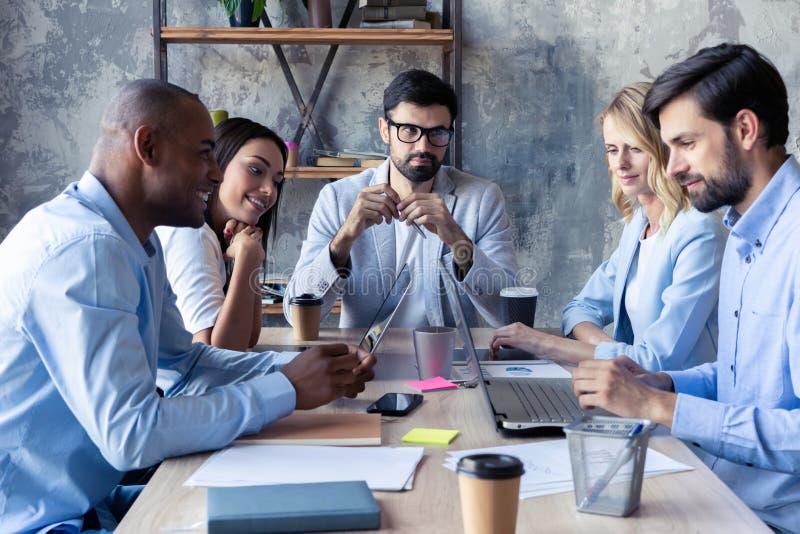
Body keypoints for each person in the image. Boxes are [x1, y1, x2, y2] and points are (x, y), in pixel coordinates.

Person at [0, 79, 376, 533]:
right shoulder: (87, 248)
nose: (216, 174)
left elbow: (186, 363)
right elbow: (132, 435)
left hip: (91, 499)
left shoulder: (135, 241)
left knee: (296, 500)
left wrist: (300, 369)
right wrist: (287, 389)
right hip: (44, 520)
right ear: (148, 147)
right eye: (204, 154)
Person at [572, 43, 800, 532]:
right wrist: (665, 383)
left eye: (686, 143)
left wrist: (657, 406)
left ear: (745, 130)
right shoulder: (743, 233)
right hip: (724, 490)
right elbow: (749, 380)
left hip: (773, 518)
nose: (672, 167)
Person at [490, 82, 725, 370]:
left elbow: (656, 359)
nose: (621, 163)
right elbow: (579, 309)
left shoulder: (700, 234)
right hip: (631, 387)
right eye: (612, 150)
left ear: (664, 149)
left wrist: (543, 343)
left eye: (635, 148)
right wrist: (611, 352)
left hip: (678, 395)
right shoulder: (638, 225)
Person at [284, 69, 518, 329]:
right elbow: (294, 313)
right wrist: (344, 239)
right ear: (384, 130)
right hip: (363, 353)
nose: (423, 147)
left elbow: (510, 315)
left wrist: (458, 241)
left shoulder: (481, 199)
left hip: (451, 351)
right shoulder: (338, 199)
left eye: (437, 133)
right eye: (409, 130)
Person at [156, 117, 285, 352]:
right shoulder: (192, 234)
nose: (269, 190)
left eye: (276, 182)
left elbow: (249, 336)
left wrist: (247, 253)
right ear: (218, 165)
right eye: (256, 170)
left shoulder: (213, 234)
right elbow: (218, 354)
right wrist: (247, 257)